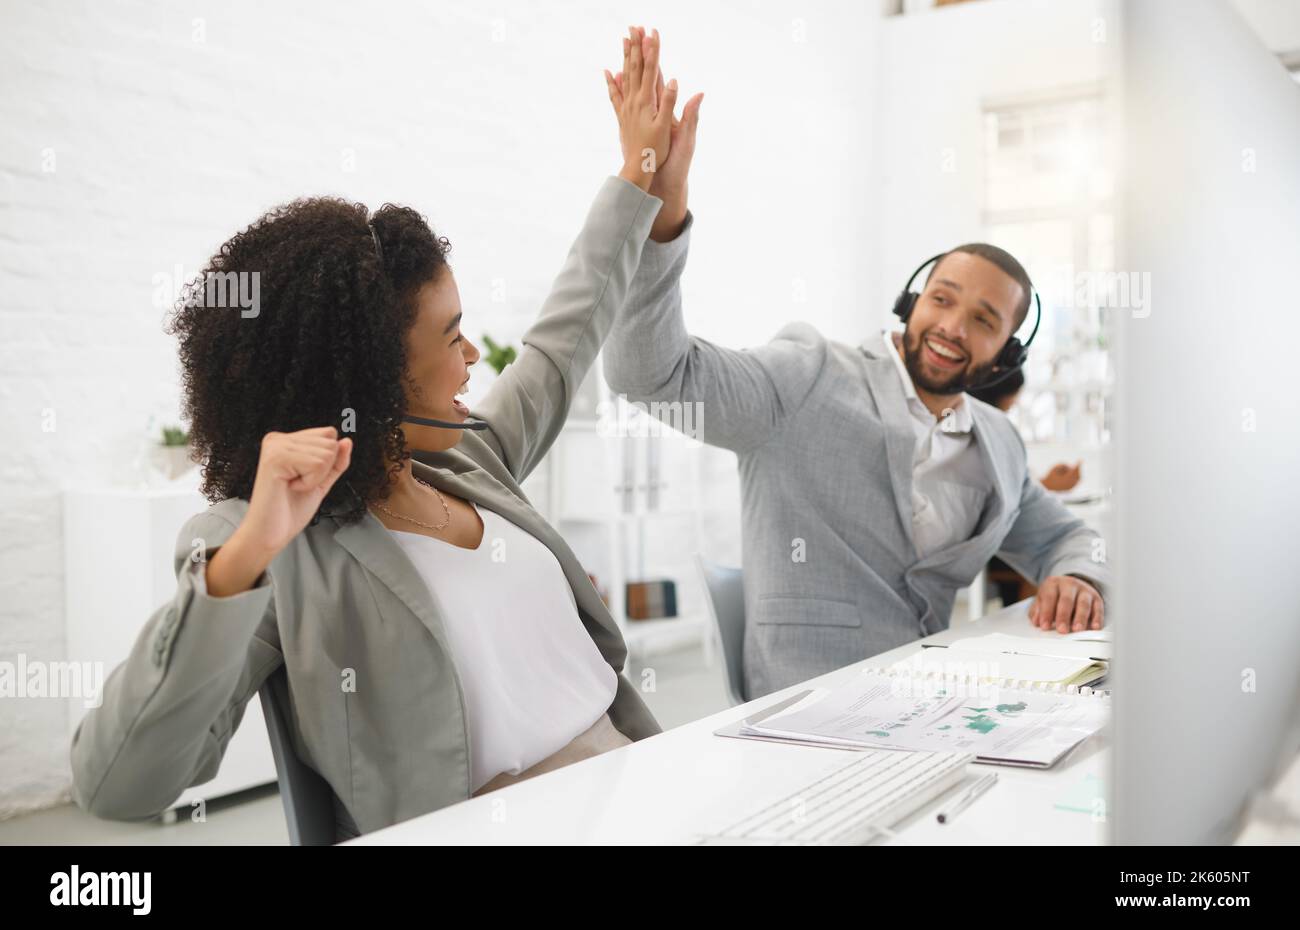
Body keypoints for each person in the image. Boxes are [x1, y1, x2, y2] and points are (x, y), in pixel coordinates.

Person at [70, 27, 699, 842]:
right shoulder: (268, 546)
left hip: (638, 783)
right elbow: (118, 781)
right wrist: (244, 557)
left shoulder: (462, 456)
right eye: (451, 337)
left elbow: (560, 340)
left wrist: (639, 175)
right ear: (368, 384)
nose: (475, 355)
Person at [604, 192, 1110, 699]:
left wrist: (1076, 577)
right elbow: (649, 377)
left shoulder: (998, 443)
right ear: (912, 303)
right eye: (942, 299)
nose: (953, 327)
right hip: (809, 700)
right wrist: (661, 221)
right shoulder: (806, 375)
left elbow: (1066, 539)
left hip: (932, 698)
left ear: (1007, 354)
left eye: (984, 321)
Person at [968, 369, 1083, 607]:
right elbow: (999, 498)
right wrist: (1049, 485)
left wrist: (1046, 483)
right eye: (1010, 404)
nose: (1013, 407)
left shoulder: (1000, 436)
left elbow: (1015, 489)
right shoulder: (976, 433)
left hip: (1005, 541)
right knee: (1031, 558)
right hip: (994, 547)